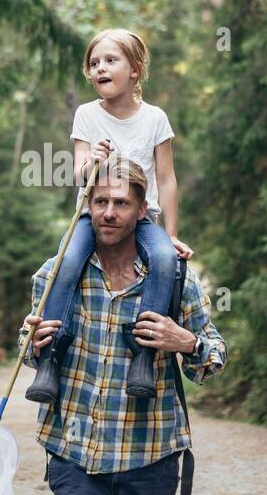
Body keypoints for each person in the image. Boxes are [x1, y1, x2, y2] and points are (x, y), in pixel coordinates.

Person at [18, 156, 227, 495]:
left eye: (120, 202)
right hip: (75, 452)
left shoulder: (174, 281)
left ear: (140, 209)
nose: (109, 212)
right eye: (99, 202)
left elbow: (211, 359)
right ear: (87, 205)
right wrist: (34, 345)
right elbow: (26, 346)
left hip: (147, 456)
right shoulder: (56, 275)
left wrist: (186, 342)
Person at [26, 28, 194, 406]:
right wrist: (93, 164)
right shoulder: (86, 114)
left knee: (165, 260)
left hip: (142, 215)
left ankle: (143, 356)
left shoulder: (154, 119)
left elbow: (166, 179)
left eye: (110, 60)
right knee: (67, 260)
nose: (100, 68)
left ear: (134, 70)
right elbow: (79, 172)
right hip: (92, 214)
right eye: (94, 63)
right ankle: (51, 357)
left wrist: (171, 233)